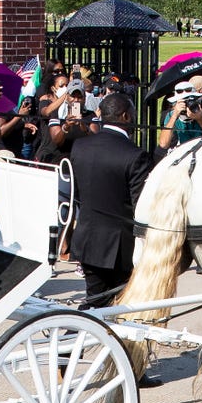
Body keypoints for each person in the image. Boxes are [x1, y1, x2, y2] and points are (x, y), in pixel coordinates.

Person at [66, 94, 143, 306]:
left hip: (88, 240)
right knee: (115, 306)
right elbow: (141, 207)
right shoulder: (135, 155)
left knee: (95, 300)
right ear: (126, 116)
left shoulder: (80, 146)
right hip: (119, 248)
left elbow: (78, 191)